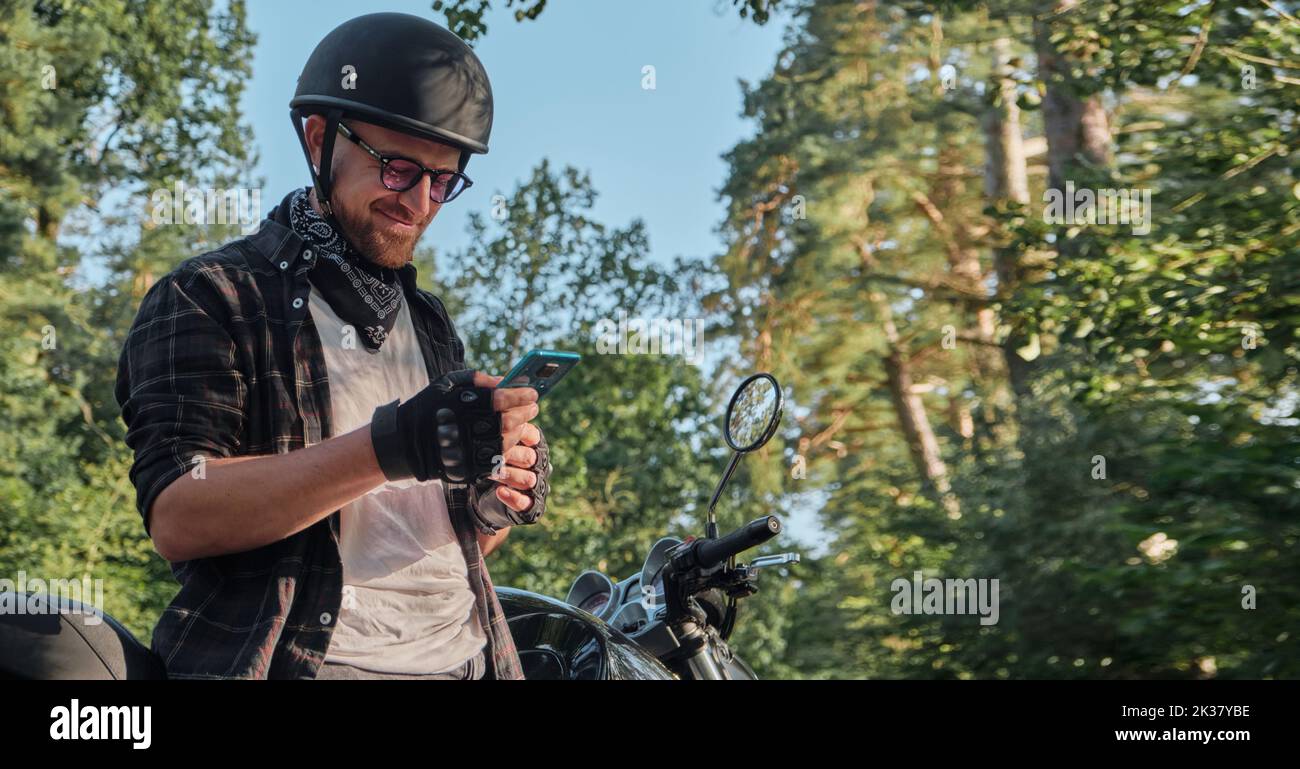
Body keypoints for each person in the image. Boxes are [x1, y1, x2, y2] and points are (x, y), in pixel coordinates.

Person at [114, 13, 548, 680]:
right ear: (320, 138)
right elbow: (179, 511)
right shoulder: (211, 295)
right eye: (400, 169)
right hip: (302, 663)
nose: (421, 203)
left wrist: (494, 498)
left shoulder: (428, 321)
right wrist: (391, 444)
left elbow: (438, 544)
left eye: (444, 182)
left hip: (471, 660)